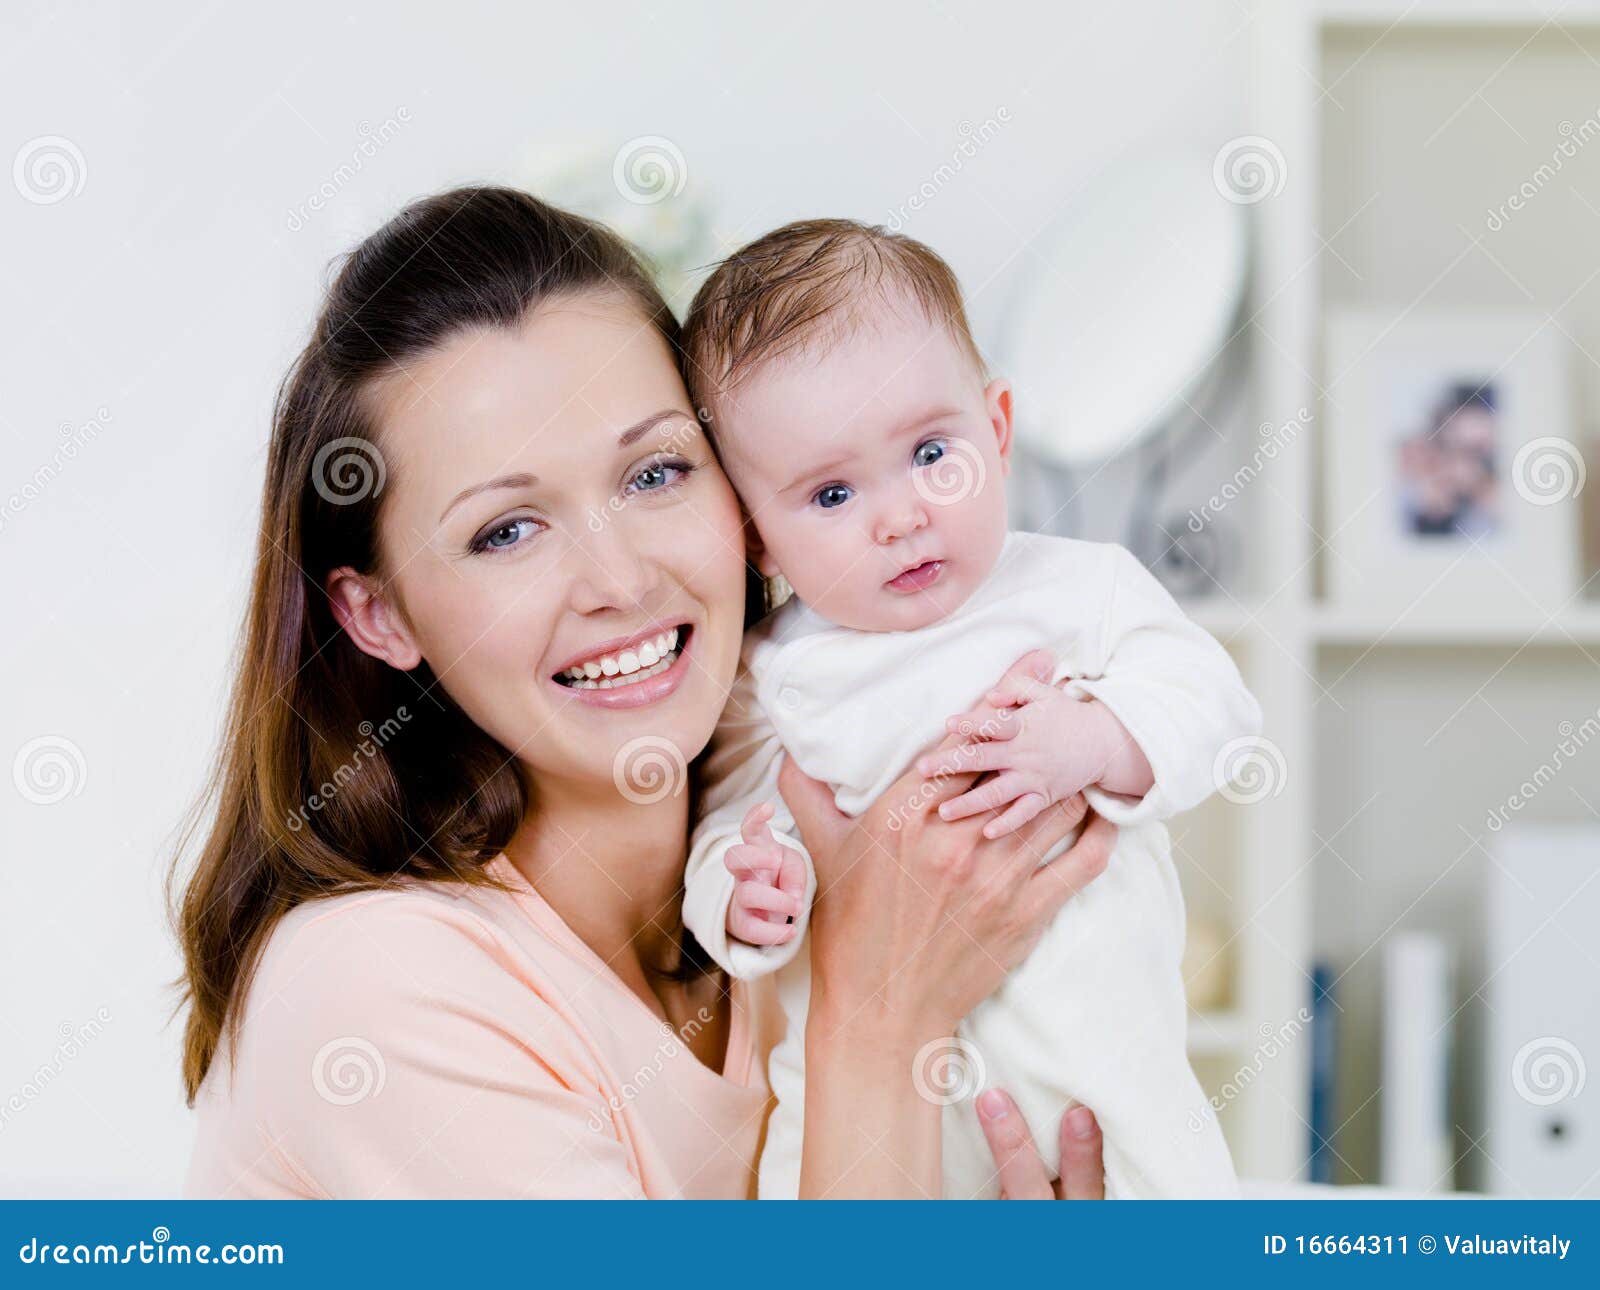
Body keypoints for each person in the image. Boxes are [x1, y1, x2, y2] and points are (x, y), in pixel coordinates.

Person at [173, 186, 1119, 1200]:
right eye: (507, 531)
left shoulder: (782, 894)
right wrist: (879, 1027)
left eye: (655, 474)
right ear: (379, 615)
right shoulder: (376, 991)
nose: (619, 583)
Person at [678, 218, 1260, 1199]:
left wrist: (1094, 738)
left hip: (1099, 1061)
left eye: (930, 452)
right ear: (758, 540)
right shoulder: (775, 671)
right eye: (829, 495)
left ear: (995, 429)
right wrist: (740, 893)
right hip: (876, 1101)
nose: (899, 514)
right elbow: (731, 819)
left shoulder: (1079, 589)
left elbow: (1213, 706)